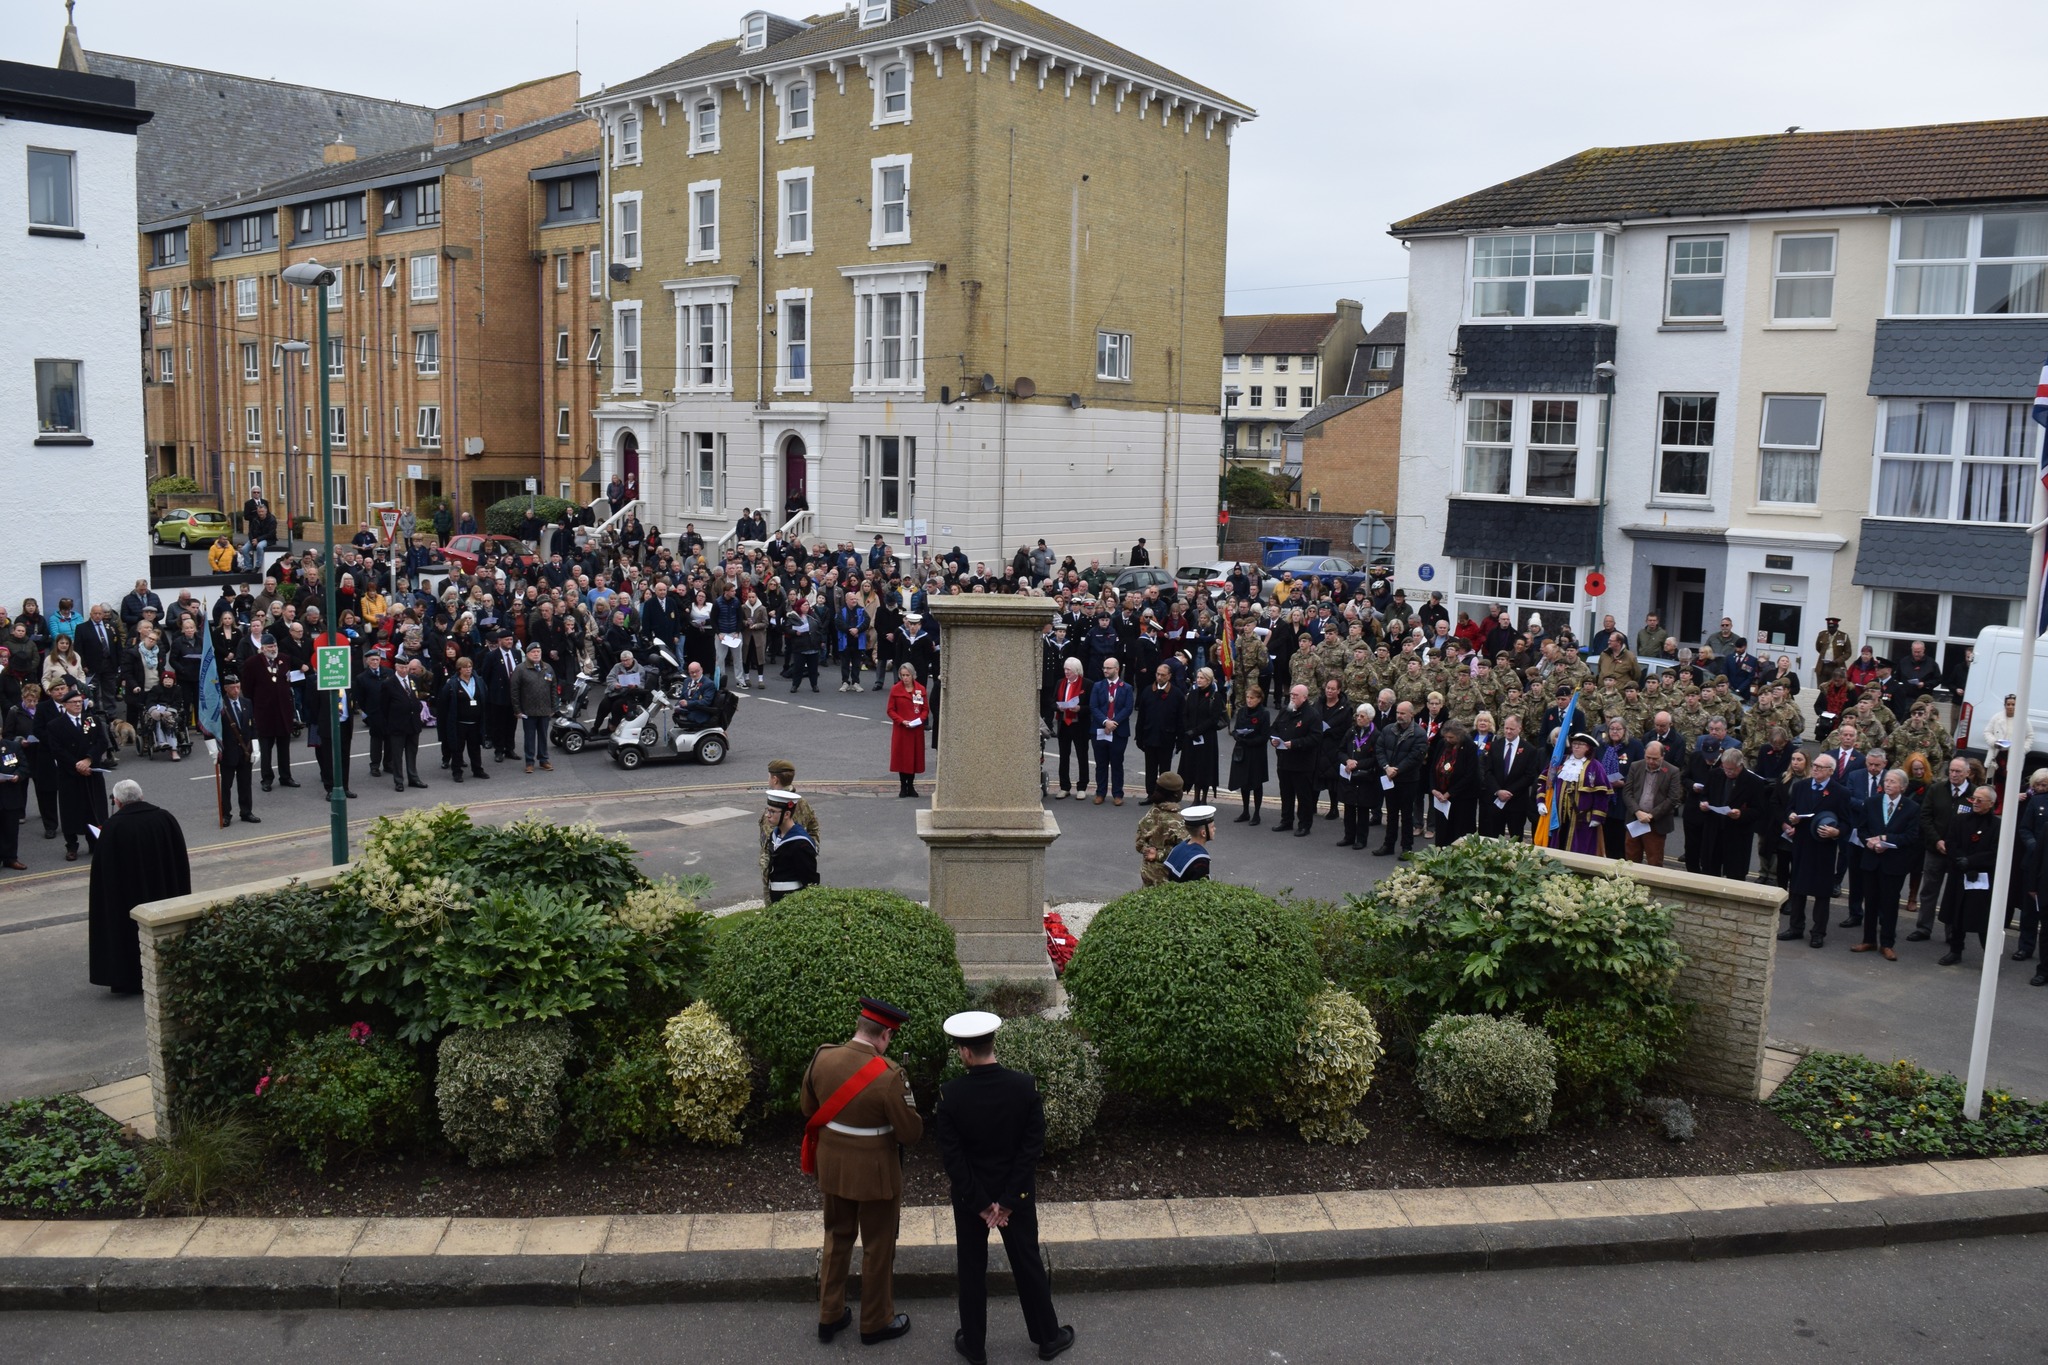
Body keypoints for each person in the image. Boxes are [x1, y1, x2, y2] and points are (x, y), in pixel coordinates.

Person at [932, 1009, 1076, 1365]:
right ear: (992, 1043)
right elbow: (1031, 1149)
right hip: (1017, 1197)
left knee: (971, 1269)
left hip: (971, 1200)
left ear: (965, 1052)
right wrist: (1009, 1201)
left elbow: (953, 1159)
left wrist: (980, 1203)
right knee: (1027, 1263)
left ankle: (975, 1345)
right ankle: (1047, 1337)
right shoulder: (1025, 1087)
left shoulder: (950, 1095)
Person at [801, 997, 922, 1347]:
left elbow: (808, 1108)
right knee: (877, 1247)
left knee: (837, 1239)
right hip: (876, 1176)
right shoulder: (889, 1076)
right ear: (885, 1034)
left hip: (834, 1168)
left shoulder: (822, 1057)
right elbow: (910, 1134)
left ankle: (830, 1315)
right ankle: (875, 1321)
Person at [86, 779, 190, 995]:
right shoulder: (164, 818)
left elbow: (103, 874)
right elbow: (179, 860)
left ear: (118, 801)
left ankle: (130, 977)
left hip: (127, 898)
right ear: (141, 796)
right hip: (163, 891)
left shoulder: (113, 827)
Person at [1780, 752, 1851, 946]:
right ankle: (1795, 927)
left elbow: (1847, 823)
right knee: (1798, 888)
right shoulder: (1801, 787)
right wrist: (1792, 816)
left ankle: (1818, 932)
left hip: (1824, 847)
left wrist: (1835, 832)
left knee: (1821, 892)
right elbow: (1789, 809)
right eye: (1815, 766)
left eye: (1820, 767)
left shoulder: (1840, 792)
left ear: (1830, 771)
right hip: (1802, 844)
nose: (1815, 769)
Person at [1853, 767, 1921, 960]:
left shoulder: (1911, 807)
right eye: (1887, 781)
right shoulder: (1872, 802)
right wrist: (1872, 843)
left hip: (1894, 863)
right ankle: (1868, 940)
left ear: (1903, 787)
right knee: (1871, 901)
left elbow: (1911, 836)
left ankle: (1887, 943)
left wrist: (1886, 838)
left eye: (1893, 782)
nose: (1888, 784)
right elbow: (1862, 829)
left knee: (1890, 904)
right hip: (1872, 860)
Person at [1908, 757, 1973, 943]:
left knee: (1954, 893)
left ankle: (1952, 933)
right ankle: (1923, 928)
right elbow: (1925, 817)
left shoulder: (1974, 794)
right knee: (1929, 890)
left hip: (1958, 854)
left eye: (1958, 771)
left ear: (1967, 773)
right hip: (1935, 849)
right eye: (1951, 770)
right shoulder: (1936, 790)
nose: (1953, 774)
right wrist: (1937, 840)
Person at [1937, 786, 2000, 967]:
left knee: (1982, 918)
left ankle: (1990, 957)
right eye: (1974, 799)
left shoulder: (1997, 826)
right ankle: (1955, 951)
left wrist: (1971, 862)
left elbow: (1995, 852)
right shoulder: (1960, 820)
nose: (1975, 803)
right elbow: (1951, 842)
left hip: (1982, 878)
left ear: (1991, 804)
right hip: (1959, 873)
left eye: (1980, 800)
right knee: (1957, 914)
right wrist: (1960, 861)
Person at [45, 687, 110, 859]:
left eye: (80, 702)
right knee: (70, 810)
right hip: (70, 774)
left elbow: (102, 742)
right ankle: (71, 846)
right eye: (73, 703)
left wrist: (88, 759)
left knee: (94, 808)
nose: (77, 705)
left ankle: (95, 842)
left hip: (91, 772)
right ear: (65, 705)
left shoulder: (92, 719)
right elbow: (57, 750)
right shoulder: (55, 725)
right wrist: (77, 765)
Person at [1698, 747, 1767, 882]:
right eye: (1725, 768)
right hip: (1714, 831)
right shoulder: (1715, 775)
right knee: (1709, 872)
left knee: (1735, 875)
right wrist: (1704, 803)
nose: (1728, 772)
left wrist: (1741, 814)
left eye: (1731, 769)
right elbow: (1704, 795)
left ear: (1740, 765)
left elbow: (1759, 811)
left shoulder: (1754, 782)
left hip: (1737, 836)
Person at [760, 759, 822, 902]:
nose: (769, 815)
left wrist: (809, 847)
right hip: (774, 874)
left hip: (787, 877)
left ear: (775, 779)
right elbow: (814, 827)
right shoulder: (794, 802)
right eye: (768, 811)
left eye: (772, 812)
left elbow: (810, 881)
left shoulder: (791, 805)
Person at [1537, 732, 1609, 855]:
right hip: (1558, 816)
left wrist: (1597, 817)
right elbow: (1544, 781)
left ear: (1588, 748)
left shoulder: (1595, 766)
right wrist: (1541, 802)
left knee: (1579, 850)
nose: (1576, 747)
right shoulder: (1561, 762)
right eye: (1575, 744)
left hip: (1582, 820)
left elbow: (1602, 794)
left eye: (1580, 744)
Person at [1372, 700, 1426, 857]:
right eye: (1398, 713)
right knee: (1391, 813)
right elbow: (1380, 749)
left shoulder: (1419, 734)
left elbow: (1415, 757)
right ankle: (1388, 845)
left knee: (1407, 815)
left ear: (1411, 714)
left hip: (1408, 780)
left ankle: (1406, 847)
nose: (1399, 716)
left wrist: (1398, 769)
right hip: (1390, 778)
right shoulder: (1388, 729)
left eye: (1403, 713)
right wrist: (1386, 767)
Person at [1479, 713, 1541, 841]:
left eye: (1511, 729)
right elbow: (1488, 771)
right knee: (1494, 837)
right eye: (1506, 728)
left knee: (1515, 838)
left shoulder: (1529, 750)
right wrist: (1498, 791)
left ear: (1519, 729)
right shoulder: (1496, 745)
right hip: (1496, 800)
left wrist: (1510, 792)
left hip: (1517, 802)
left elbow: (1529, 776)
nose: (1508, 731)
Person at [1619, 740, 1682, 866]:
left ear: (1662, 757)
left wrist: (1651, 815)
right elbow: (1627, 792)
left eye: (1655, 759)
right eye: (1648, 757)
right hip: (1635, 820)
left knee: (1654, 860)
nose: (1651, 762)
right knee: (1631, 859)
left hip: (1656, 823)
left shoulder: (1672, 771)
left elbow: (1673, 798)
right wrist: (1637, 811)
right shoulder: (1635, 766)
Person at [1269, 683, 1318, 837]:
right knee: (1286, 793)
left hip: (1301, 762)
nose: (1292, 697)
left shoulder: (1312, 715)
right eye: (1291, 695)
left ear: (1305, 697)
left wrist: (1296, 744)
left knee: (1303, 796)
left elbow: (1315, 738)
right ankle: (1286, 820)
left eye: (1296, 695)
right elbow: (1274, 727)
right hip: (1284, 760)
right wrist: (1273, 740)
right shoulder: (1286, 711)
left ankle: (1304, 824)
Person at [212, 675, 258, 825]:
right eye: (232, 688)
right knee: (226, 785)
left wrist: (255, 748)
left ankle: (246, 811)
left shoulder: (247, 703)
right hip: (228, 751)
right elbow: (212, 729)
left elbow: (252, 726)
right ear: (225, 689)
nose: (236, 690)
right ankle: (226, 814)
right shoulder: (219, 705)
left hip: (245, 751)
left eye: (238, 687)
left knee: (245, 783)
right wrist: (213, 749)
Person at [437, 654, 489, 783]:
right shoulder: (452, 684)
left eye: (470, 667)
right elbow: (443, 702)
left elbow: (485, 696)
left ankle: (477, 770)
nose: (468, 669)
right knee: (457, 749)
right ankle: (457, 772)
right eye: (465, 667)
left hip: (475, 722)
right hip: (459, 723)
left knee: (475, 748)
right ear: (459, 669)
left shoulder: (479, 681)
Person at [1428, 719, 1480, 846]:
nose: (1448, 740)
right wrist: (1434, 789)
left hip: (1462, 798)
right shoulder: (1442, 744)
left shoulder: (1470, 747)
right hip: (1442, 798)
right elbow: (1433, 767)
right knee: (1442, 831)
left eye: (1451, 737)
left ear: (1459, 735)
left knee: (1459, 831)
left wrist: (1449, 793)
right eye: (1446, 737)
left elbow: (1470, 775)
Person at [1089, 657, 1134, 806]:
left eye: (1108, 668)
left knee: (1117, 763)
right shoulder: (1097, 686)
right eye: (1104, 668)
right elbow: (1093, 707)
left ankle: (1117, 794)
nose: (1105, 670)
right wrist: (1105, 722)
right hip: (1100, 730)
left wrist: (1114, 723)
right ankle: (1100, 793)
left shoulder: (1126, 687)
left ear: (1117, 669)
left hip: (1118, 731)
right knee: (1101, 764)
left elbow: (1128, 708)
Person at [1135, 663, 1182, 804]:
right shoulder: (1148, 691)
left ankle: (1164, 796)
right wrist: (1139, 736)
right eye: (1157, 674)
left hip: (1166, 738)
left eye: (1162, 675)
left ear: (1169, 676)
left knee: (1165, 771)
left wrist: (1179, 740)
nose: (1159, 677)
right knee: (1150, 768)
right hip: (1149, 736)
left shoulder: (1176, 694)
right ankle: (1151, 794)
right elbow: (1141, 716)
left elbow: (1180, 720)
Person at [1134, 771, 1188, 885]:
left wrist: (1147, 851)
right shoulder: (1177, 820)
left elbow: (1139, 844)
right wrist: (1158, 855)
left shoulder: (1150, 813)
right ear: (1176, 794)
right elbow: (1183, 850)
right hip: (1166, 874)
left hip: (1147, 871)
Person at [1227, 683, 1270, 826]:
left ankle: (1256, 813)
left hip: (1256, 753)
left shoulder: (1264, 713)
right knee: (1243, 782)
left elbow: (1264, 736)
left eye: (1252, 698)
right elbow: (1236, 729)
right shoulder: (1242, 712)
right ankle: (1245, 811)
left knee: (1256, 783)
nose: (1249, 700)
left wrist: (1249, 740)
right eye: (1247, 697)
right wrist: (1236, 735)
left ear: (1259, 699)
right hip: (1242, 750)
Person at [512, 643, 557, 773]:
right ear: (527, 654)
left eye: (538, 651)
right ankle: (529, 761)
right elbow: (514, 691)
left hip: (544, 709)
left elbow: (553, 688)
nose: (536, 654)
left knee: (543, 736)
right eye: (533, 652)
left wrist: (554, 707)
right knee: (529, 737)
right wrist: (517, 710)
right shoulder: (520, 669)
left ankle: (543, 760)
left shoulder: (548, 668)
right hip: (528, 710)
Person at [886, 663, 929, 798]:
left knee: (913, 757)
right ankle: (903, 786)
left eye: (907, 675)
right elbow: (890, 710)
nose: (905, 678)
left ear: (912, 675)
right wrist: (901, 721)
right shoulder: (895, 690)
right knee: (902, 758)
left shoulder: (920, 690)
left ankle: (910, 785)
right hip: (902, 729)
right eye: (903, 675)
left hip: (915, 730)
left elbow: (925, 709)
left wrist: (920, 720)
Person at [1049, 657, 1089, 799]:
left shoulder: (1087, 684)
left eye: (1069, 670)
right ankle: (1064, 786)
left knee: (1082, 756)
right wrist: (1058, 707)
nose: (1066, 672)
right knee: (1063, 756)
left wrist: (1080, 708)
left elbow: (1092, 707)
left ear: (1076, 671)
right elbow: (1052, 701)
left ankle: (1082, 787)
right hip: (1064, 724)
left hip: (1079, 725)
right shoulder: (1061, 683)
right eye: (1065, 669)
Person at [0, 722, 27, 870]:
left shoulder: (12, 747)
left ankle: (10, 858)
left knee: (11, 829)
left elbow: (23, 766)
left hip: (11, 794)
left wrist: (18, 775)